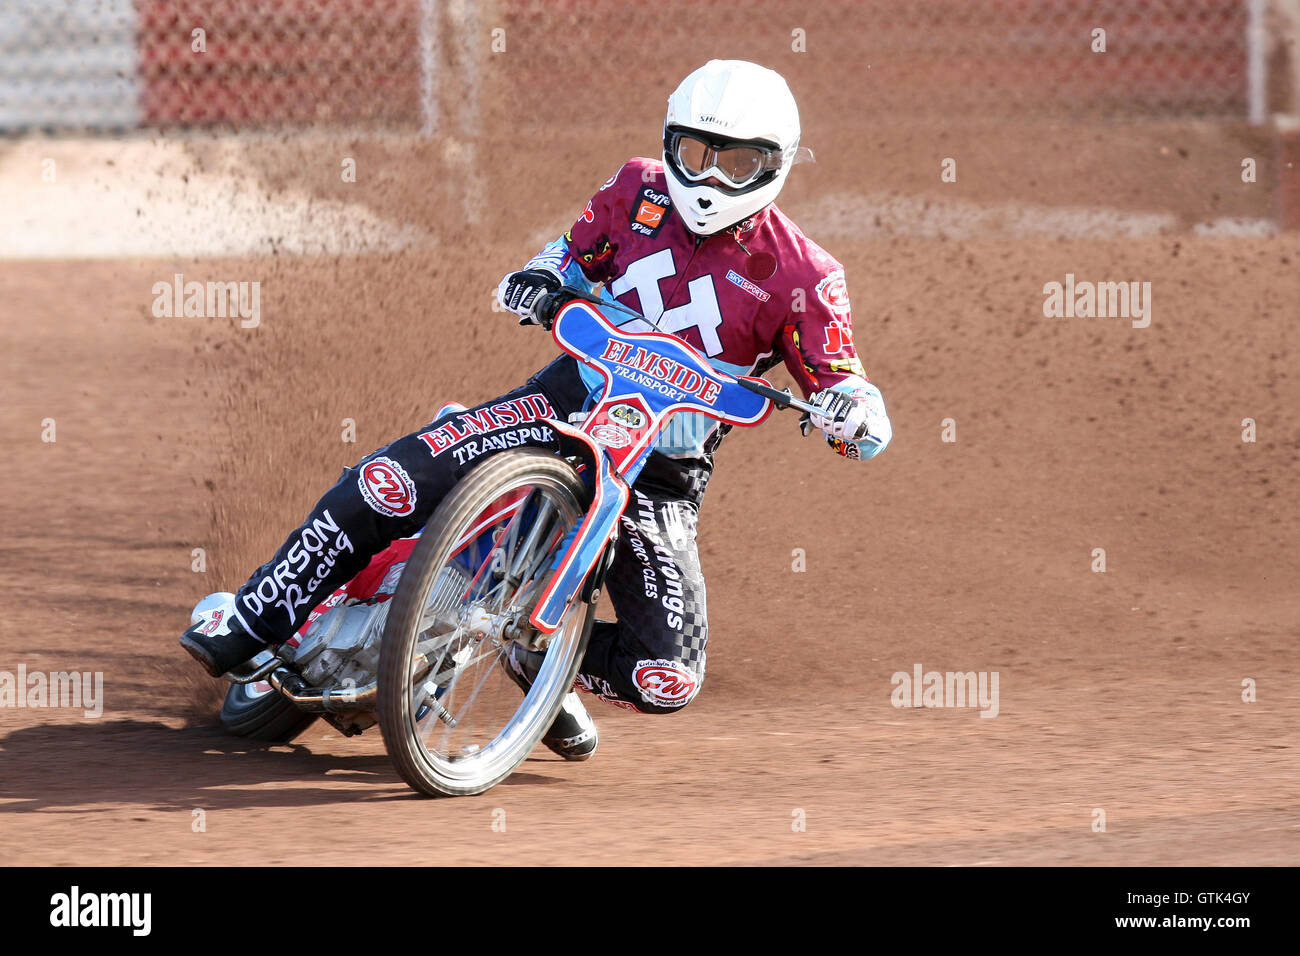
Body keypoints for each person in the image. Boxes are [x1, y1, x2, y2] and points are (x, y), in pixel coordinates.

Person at [180, 59, 892, 761]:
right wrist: (539, 278)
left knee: (665, 678)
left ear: (778, 165)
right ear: (670, 142)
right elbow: (568, 255)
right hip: (561, 404)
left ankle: (544, 659)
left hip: (662, 472)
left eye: (737, 165)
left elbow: (843, 379)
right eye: (696, 153)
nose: (708, 179)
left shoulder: (809, 275)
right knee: (386, 483)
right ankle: (253, 614)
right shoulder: (638, 188)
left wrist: (852, 413)